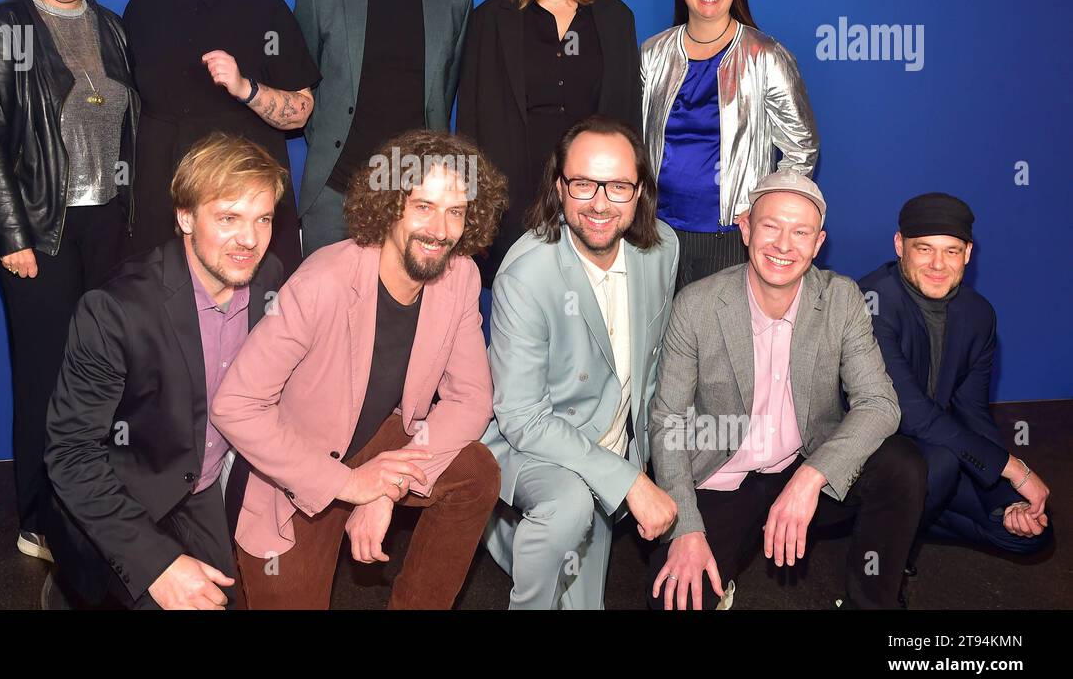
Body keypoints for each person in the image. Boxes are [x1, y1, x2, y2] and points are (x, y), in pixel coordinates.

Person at [212, 129, 507, 608]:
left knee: (477, 472)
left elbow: (471, 398)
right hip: (294, 472)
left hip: (375, 438)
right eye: (423, 207)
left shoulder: (460, 276)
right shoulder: (323, 282)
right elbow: (235, 406)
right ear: (390, 205)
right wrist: (350, 485)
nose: (441, 230)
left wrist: (387, 488)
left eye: (456, 212)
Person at [647, 170, 926, 610]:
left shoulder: (841, 299)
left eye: (800, 232)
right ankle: (728, 559)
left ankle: (871, 602)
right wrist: (686, 530)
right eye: (770, 226)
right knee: (673, 599)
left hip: (804, 461)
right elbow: (667, 422)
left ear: (818, 244)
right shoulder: (697, 304)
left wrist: (810, 478)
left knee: (902, 466)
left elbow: (879, 403)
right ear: (745, 228)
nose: (783, 245)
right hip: (723, 473)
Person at [0, 0, 138, 564]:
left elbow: (127, 135)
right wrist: (11, 238)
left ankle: (92, 502)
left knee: (101, 375)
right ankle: (38, 516)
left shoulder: (113, 29)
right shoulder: (1, 26)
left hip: (108, 224)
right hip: (40, 228)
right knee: (44, 376)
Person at [43, 134, 287, 609]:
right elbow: (72, 454)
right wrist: (157, 563)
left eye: (263, 219)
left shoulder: (269, 279)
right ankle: (72, 586)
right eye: (229, 218)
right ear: (185, 218)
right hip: (119, 496)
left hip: (198, 490)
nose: (250, 239)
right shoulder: (115, 308)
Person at [481, 116, 679, 609]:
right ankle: (507, 530)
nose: (599, 203)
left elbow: (651, 370)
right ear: (559, 187)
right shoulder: (527, 274)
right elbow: (523, 418)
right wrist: (628, 481)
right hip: (530, 444)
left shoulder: (663, 251)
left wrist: (649, 460)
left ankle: (524, 536)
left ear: (639, 193)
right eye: (584, 184)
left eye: (617, 187)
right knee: (567, 510)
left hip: (612, 445)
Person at [123, 0, 319, 273]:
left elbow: (300, 112)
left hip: (249, 195)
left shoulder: (267, 9)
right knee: (164, 314)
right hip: (164, 195)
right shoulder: (145, 7)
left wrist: (245, 88)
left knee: (261, 320)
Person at [458, 0, 643, 285]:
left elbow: (628, 118)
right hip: (513, 199)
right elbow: (472, 121)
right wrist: (475, 206)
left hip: (595, 196)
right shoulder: (490, 20)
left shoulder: (614, 19)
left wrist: (627, 196)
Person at [858, 193, 1051, 564]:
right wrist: (1011, 467)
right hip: (874, 450)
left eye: (951, 251)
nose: (937, 264)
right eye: (924, 249)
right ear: (900, 246)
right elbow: (910, 412)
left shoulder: (978, 315)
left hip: (939, 448)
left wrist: (1010, 499)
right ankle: (885, 548)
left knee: (1031, 532)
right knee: (943, 462)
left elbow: (973, 413)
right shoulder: (871, 301)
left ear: (967, 254)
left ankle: (906, 523)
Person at [295, 0, 473, 256]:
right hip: (335, 191)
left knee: (408, 313)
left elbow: (444, 92)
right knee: (327, 314)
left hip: (418, 194)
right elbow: (301, 87)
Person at [640, 0, 819, 292]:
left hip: (731, 235)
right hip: (657, 230)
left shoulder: (765, 56)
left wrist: (761, 212)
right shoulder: (651, 53)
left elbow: (802, 148)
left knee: (722, 341)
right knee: (661, 341)